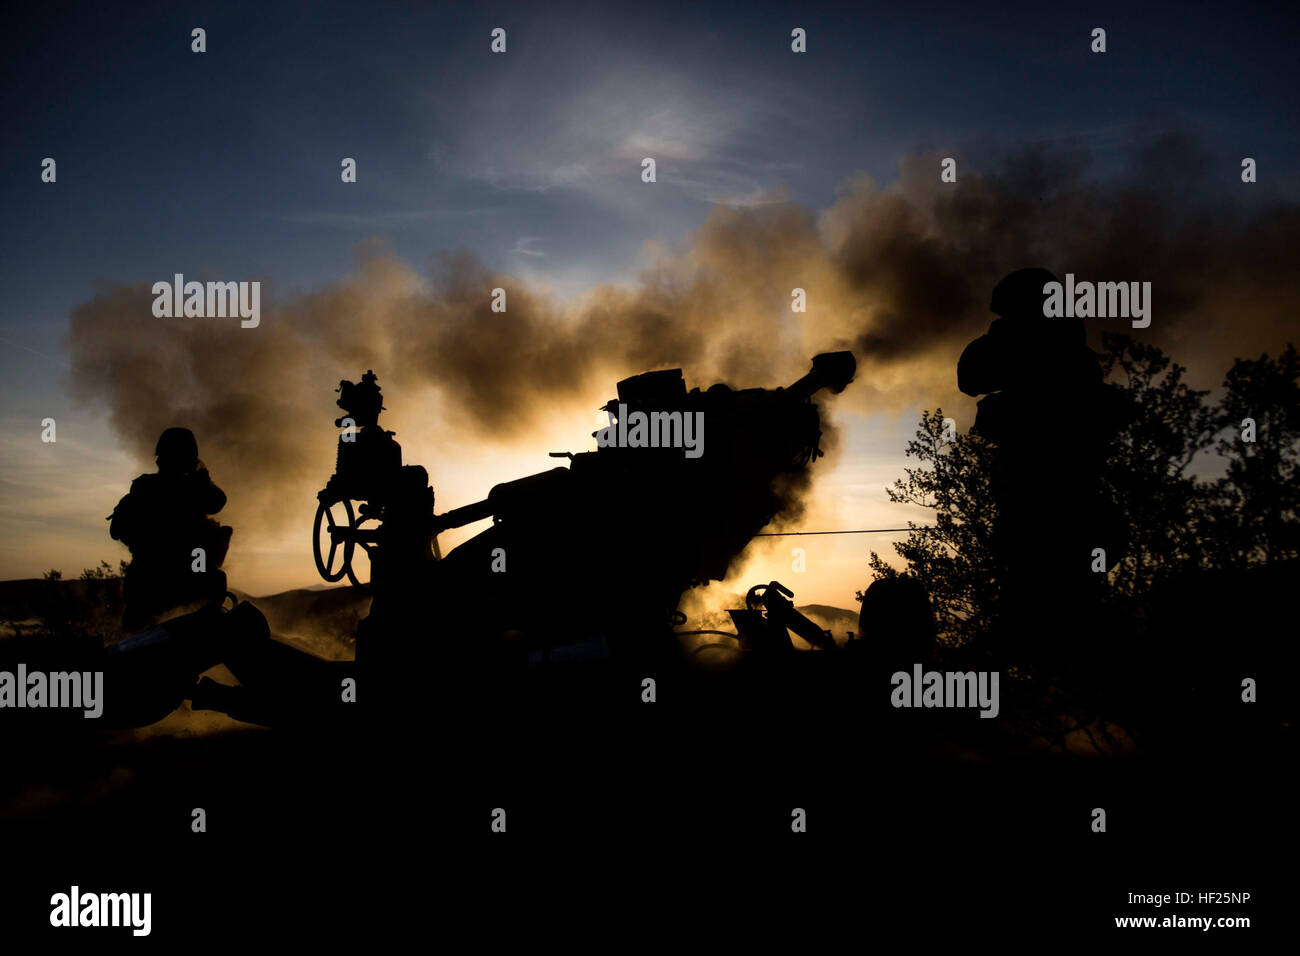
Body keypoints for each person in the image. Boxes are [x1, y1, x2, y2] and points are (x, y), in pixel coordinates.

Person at [109, 427, 232, 631]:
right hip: (183, 582)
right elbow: (218, 501)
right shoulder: (193, 488)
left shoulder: (145, 487)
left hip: (149, 581)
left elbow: (117, 531)